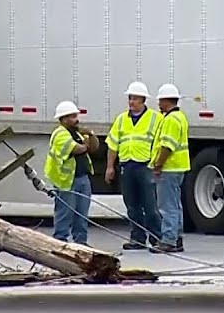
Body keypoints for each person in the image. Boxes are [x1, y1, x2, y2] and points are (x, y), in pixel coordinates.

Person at [105, 81, 161, 250]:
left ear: (143, 100)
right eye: (130, 98)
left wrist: (158, 165)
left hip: (145, 166)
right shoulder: (121, 119)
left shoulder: (155, 118)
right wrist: (110, 167)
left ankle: (156, 237)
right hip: (127, 166)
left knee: (150, 206)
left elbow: (160, 143)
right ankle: (137, 238)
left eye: (135, 98)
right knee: (132, 206)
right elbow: (113, 144)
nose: (131, 102)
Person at [45, 100, 98, 245]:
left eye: (76, 116)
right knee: (64, 213)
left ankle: (81, 242)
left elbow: (93, 148)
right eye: (73, 117)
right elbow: (78, 149)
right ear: (64, 119)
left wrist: (91, 135)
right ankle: (59, 242)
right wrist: (86, 143)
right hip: (66, 180)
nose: (76, 119)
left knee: (81, 213)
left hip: (82, 178)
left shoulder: (76, 133)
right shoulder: (60, 134)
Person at [149, 83, 190, 254]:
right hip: (178, 168)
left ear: (166, 100)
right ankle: (176, 238)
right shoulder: (179, 117)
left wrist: (158, 165)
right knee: (175, 205)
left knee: (167, 206)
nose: (158, 103)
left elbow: (167, 146)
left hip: (169, 168)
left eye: (160, 100)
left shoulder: (171, 120)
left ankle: (168, 240)